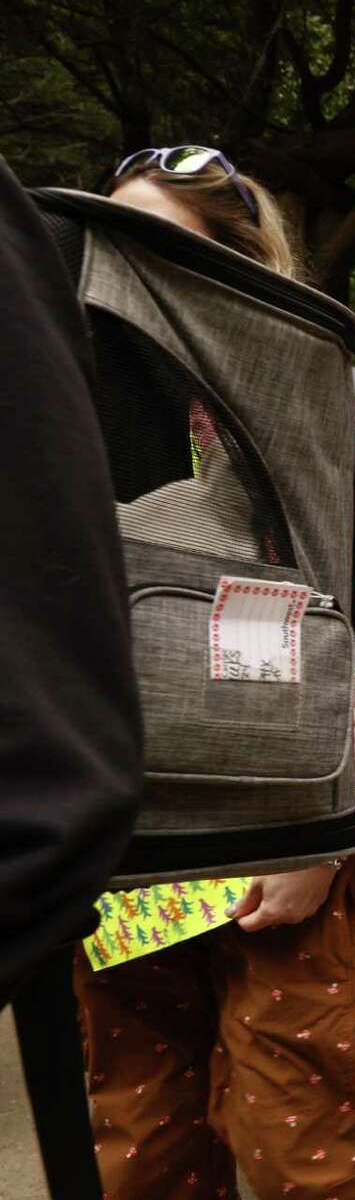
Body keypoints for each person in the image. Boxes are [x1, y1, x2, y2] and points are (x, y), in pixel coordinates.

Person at [74, 143, 355, 1200]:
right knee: (147, 1150)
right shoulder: (90, 422)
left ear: (234, 268)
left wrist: (324, 843)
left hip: (298, 840)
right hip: (137, 853)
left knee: (299, 1152)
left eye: (156, 244)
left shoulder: (338, 433)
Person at [0, 155, 142, 1007]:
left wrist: (323, 839)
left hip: (245, 812)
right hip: (121, 869)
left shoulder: (317, 422)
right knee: (137, 1103)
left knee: (283, 1091)